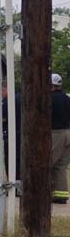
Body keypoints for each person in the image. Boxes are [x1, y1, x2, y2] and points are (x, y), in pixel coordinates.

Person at [52, 74, 70, 204]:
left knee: (48, 162)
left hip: (55, 133)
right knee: (61, 165)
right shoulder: (67, 99)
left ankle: (44, 193)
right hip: (68, 133)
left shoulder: (48, 99)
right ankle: (62, 194)